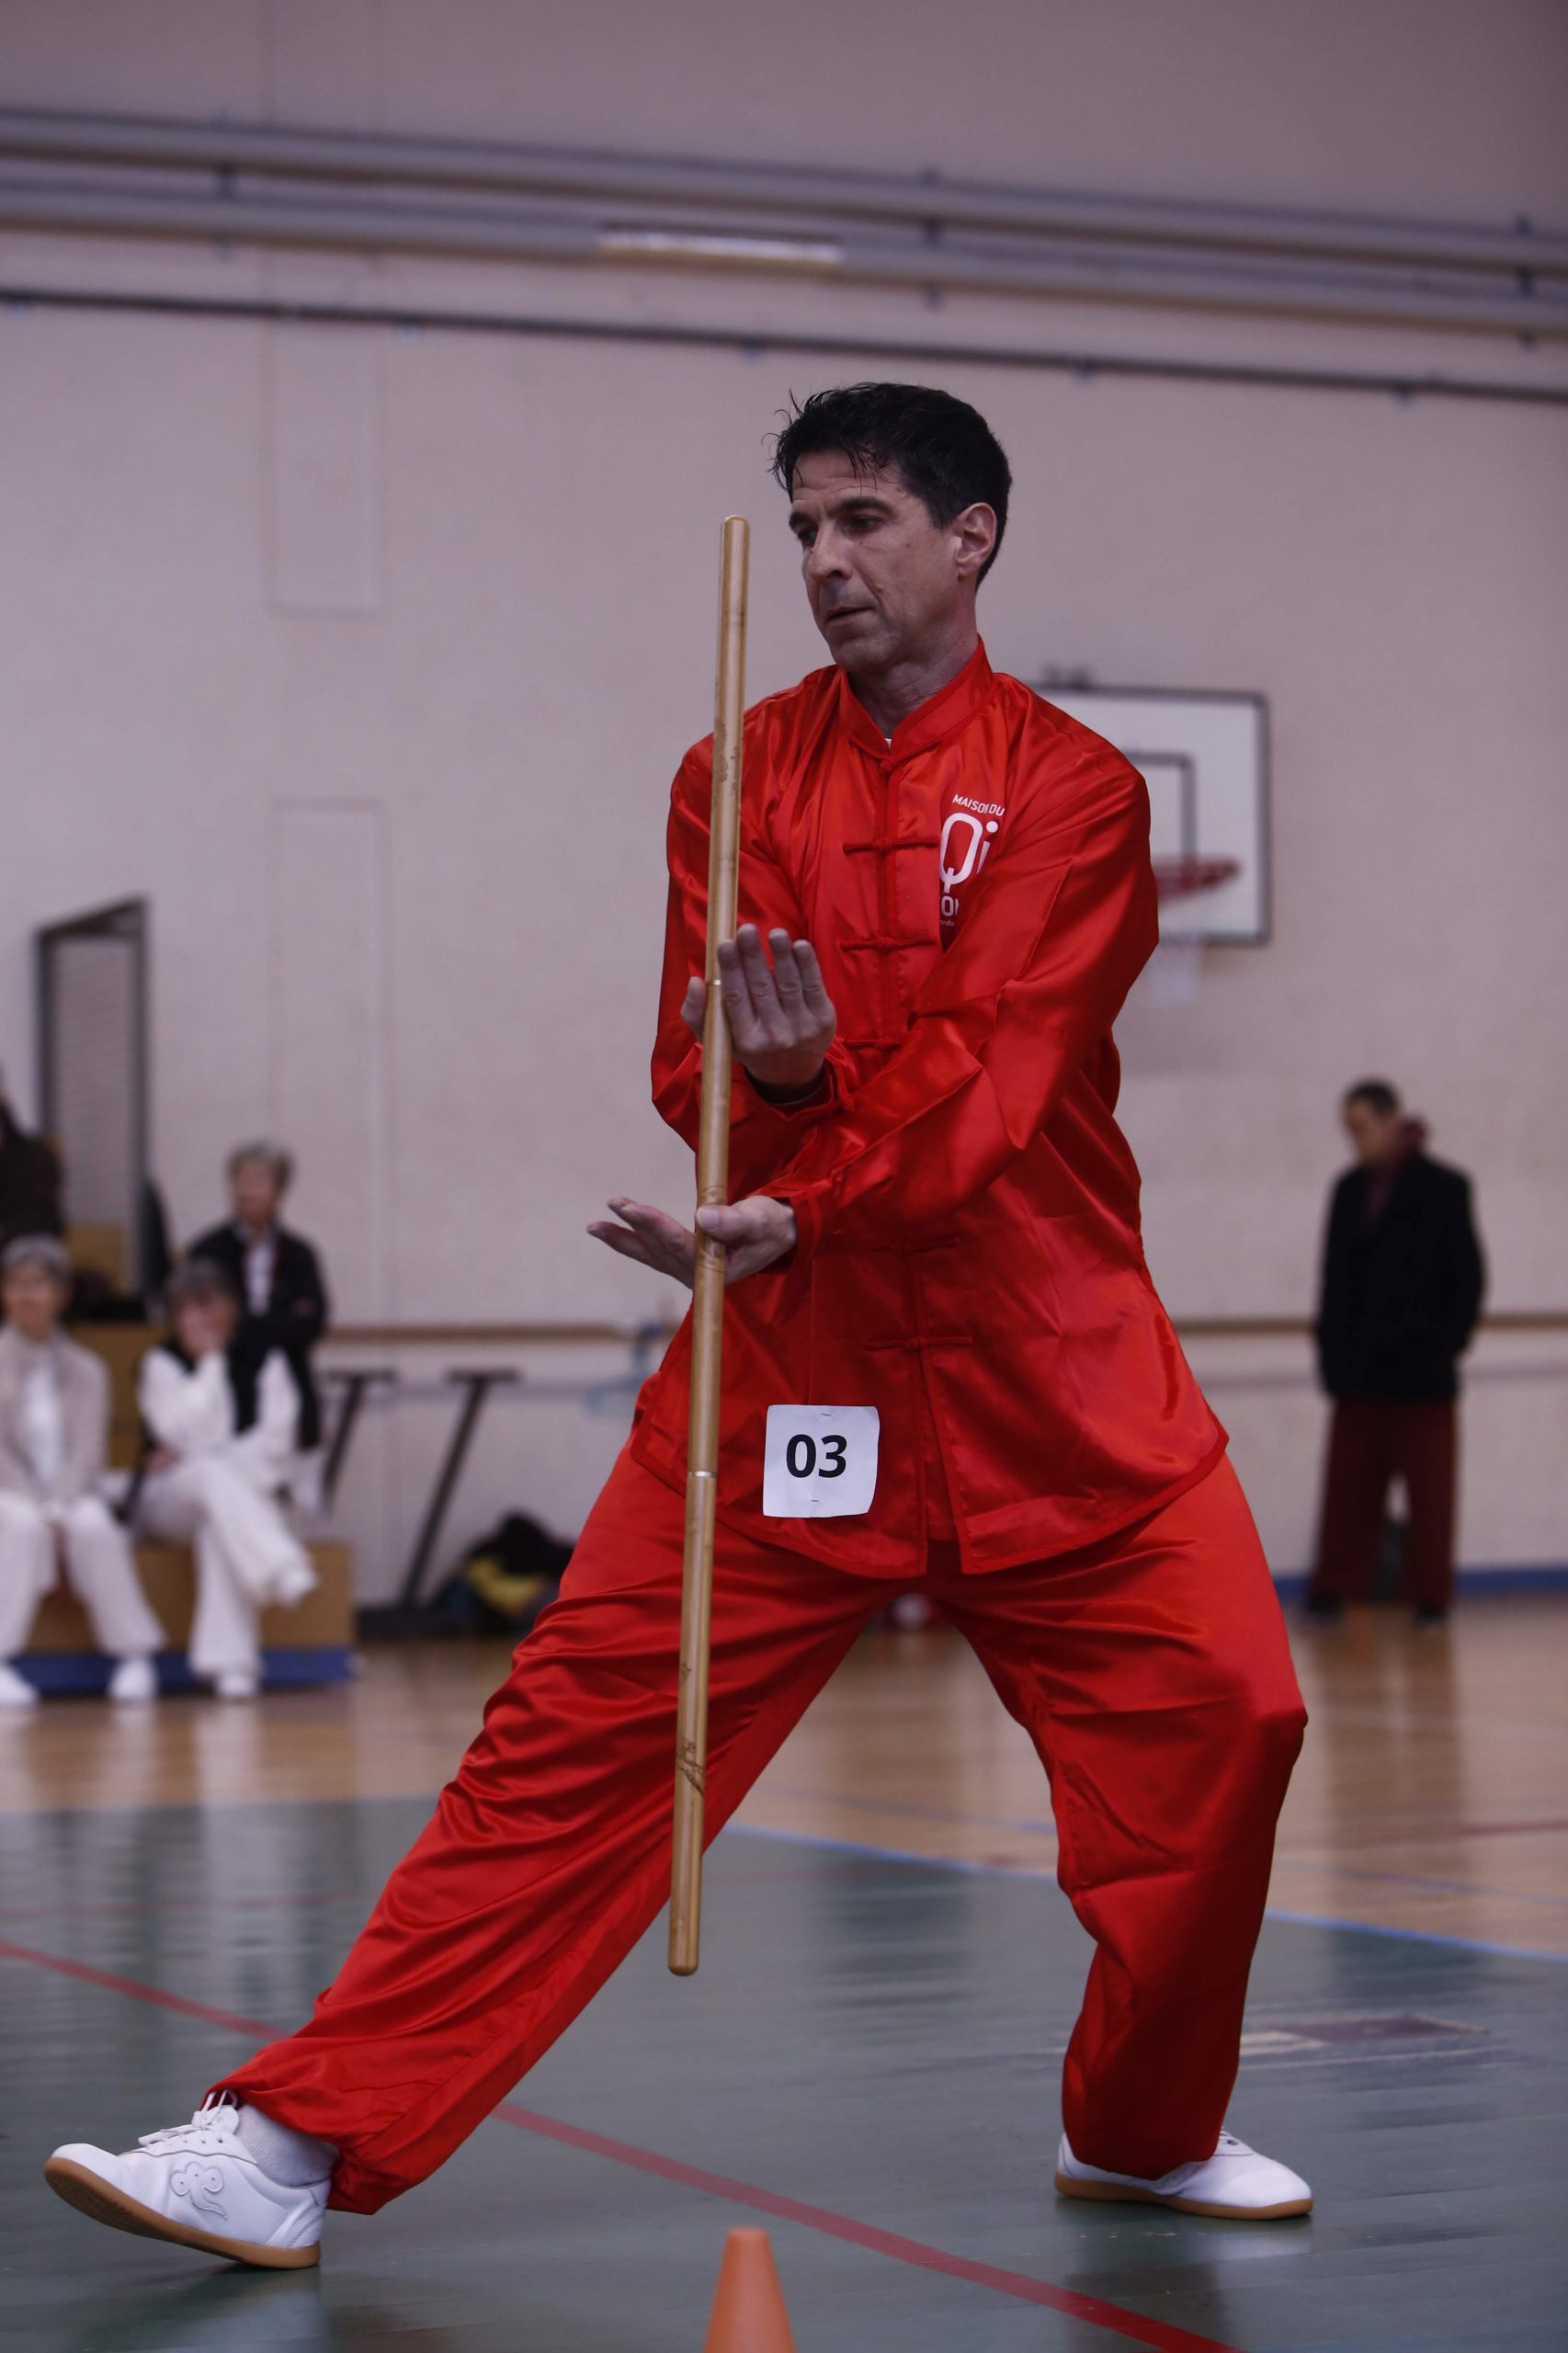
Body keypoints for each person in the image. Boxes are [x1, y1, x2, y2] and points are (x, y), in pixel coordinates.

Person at [45, 381, 1311, 2270]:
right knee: (561, 1745)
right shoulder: (734, 775)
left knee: (1234, 1716)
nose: (823, 560)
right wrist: (776, 1099)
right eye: (801, 526)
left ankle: (1141, 2129)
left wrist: (814, 1178)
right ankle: (286, 2138)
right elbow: (688, 1066)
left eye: (863, 519)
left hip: (1058, 1377)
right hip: (796, 1371)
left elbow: (1002, 1071)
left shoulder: (1075, 791)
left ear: (970, 535)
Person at [1305, 1079, 1484, 1627]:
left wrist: (1444, 1343)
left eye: (1361, 1127)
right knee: (1347, 1494)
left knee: (1431, 1497)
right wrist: (1332, 1358)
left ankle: (1430, 1599)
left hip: (1423, 1374)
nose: (1355, 1140)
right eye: (1349, 1130)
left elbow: (1467, 1279)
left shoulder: (1445, 1187)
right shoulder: (1347, 1191)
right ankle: (1333, 1591)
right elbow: (1333, 1282)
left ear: (1392, 1122)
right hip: (1358, 1373)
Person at [132, 1259, 316, 1700]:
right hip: (170, 1499)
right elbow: (180, 1432)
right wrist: (211, 1363)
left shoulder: (265, 1357)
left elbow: (279, 1442)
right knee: (208, 1475)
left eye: (208, 1304)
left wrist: (209, 1455)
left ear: (233, 1307)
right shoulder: (160, 1362)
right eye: (187, 1308)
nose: (199, 1318)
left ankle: (232, 1666)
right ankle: (280, 1563)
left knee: (218, 1520)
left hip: (239, 1495)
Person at [0, 1235, 165, 1707]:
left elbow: (88, 1451)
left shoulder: (87, 1369)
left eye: (37, 1284)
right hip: (9, 1492)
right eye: (15, 1285)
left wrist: (58, 1504)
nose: (27, 1296)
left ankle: (134, 1653)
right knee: (21, 1527)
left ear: (61, 1294)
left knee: (96, 1529)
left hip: (71, 1492)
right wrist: (38, 1507)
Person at [187, 1142, 330, 1457]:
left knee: (300, 1476)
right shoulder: (207, 1252)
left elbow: (313, 1321)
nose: (247, 1191)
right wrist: (274, 1323)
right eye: (240, 1180)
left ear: (279, 1191)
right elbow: (203, 1326)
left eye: (258, 1181)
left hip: (291, 1382)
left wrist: (246, 1325)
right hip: (226, 1390)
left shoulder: (299, 1253)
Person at [0, 1074, 64, 1256]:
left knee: (34, 1252)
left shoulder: (35, 1156)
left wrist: (5, 1232)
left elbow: (46, 1218)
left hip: (18, 1247)